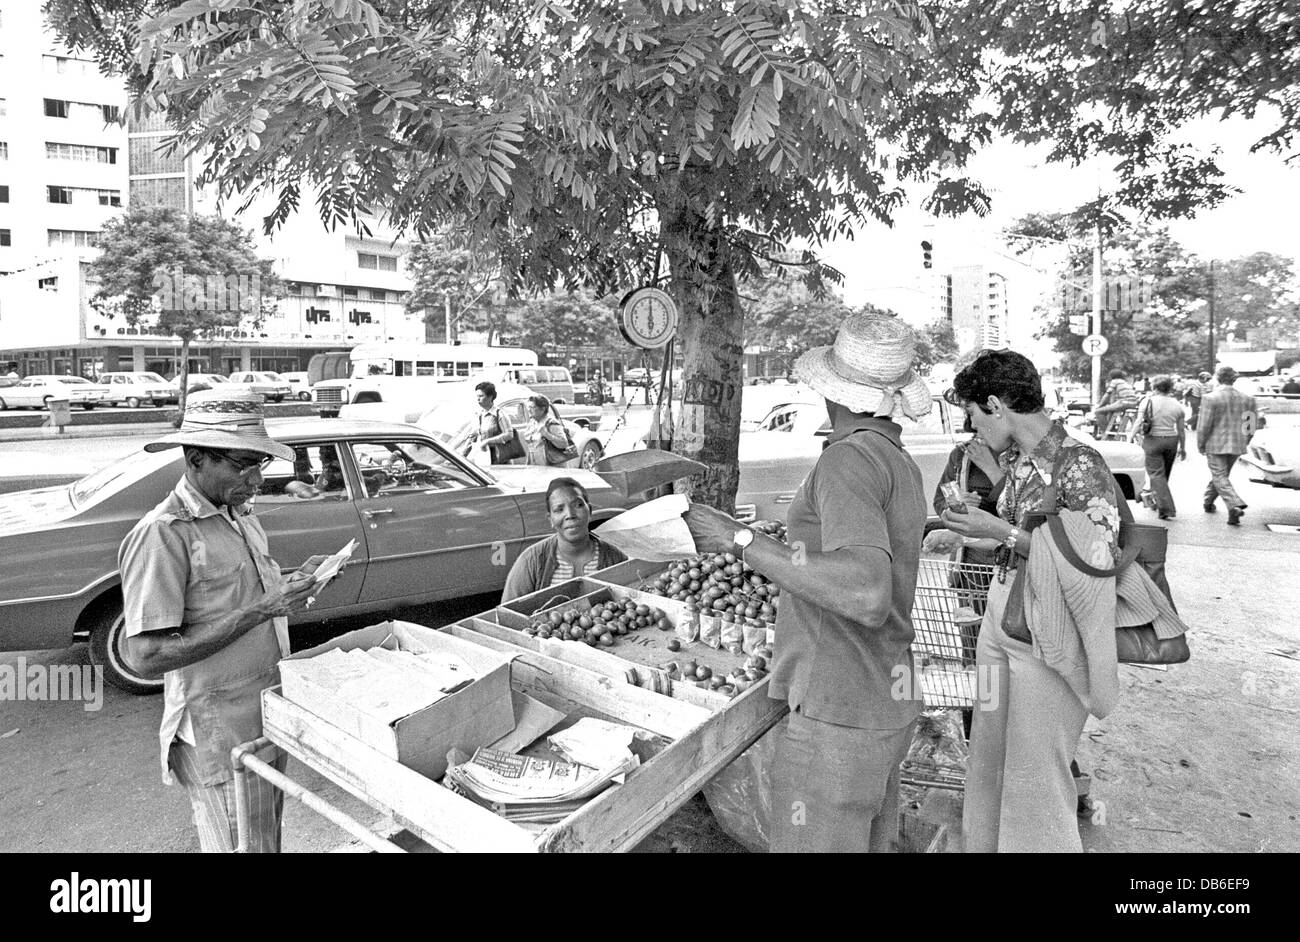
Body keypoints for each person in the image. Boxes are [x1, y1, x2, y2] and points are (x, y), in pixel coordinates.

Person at [684, 312, 928, 853]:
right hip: (883, 699)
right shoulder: (896, 459)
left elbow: (866, 593)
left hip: (840, 714)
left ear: (833, 392)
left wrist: (740, 541)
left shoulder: (848, 460)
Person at [118, 388, 327, 853]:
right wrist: (263, 609)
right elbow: (147, 656)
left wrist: (295, 584)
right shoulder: (162, 534)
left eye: (261, 464)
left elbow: (246, 597)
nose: (256, 478)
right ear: (195, 459)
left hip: (263, 713)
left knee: (264, 842)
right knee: (238, 846)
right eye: (241, 464)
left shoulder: (239, 514)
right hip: (217, 731)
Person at [938, 349, 1121, 853]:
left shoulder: (1079, 463)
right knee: (991, 757)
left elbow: (1098, 556)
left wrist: (1001, 530)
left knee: (1035, 771)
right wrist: (971, 528)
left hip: (1050, 623)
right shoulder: (1016, 462)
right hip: (1004, 608)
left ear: (995, 405)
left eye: (972, 412)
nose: (971, 425)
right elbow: (1017, 534)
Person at [502, 477, 627, 601]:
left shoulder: (615, 559)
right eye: (559, 509)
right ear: (551, 519)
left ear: (590, 511)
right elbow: (507, 615)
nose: (570, 515)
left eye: (578, 505)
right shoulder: (531, 561)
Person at [1197, 365, 1257, 526]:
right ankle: (1209, 501)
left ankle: (1234, 504)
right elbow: (1250, 426)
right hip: (1237, 443)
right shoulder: (1248, 399)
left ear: (1217, 377)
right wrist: (1246, 441)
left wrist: (1201, 444)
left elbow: (1204, 425)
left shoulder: (1210, 398)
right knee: (1222, 476)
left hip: (1215, 443)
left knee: (1219, 476)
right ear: (1234, 379)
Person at [1136, 376, 1187, 520]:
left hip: (1153, 440)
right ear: (1170, 388)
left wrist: (1130, 436)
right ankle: (1156, 501)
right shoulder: (1177, 405)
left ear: (1154, 387)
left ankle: (1166, 508)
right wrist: (1183, 448)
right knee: (1163, 475)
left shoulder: (1147, 402)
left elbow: (1139, 421)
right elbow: (1181, 430)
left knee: (1156, 474)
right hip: (1171, 441)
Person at [461, 381, 515, 464]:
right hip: (484, 457)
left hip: (500, 459)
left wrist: (487, 441)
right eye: (477, 396)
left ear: (490, 397)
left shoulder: (499, 414)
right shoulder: (478, 415)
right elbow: (472, 437)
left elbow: (509, 435)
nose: (478, 399)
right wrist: (462, 456)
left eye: (481, 396)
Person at [521, 394, 573, 466]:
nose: (529, 410)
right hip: (536, 466)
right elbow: (531, 447)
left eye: (532, 407)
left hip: (552, 467)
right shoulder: (532, 423)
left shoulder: (552, 424)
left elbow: (564, 443)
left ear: (543, 409)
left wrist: (547, 435)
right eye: (528, 407)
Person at [1093, 368, 1138, 436]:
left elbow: (1107, 395)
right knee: (1110, 410)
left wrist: (1099, 406)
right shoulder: (1125, 382)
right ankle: (1111, 430)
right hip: (1133, 403)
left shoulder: (1115, 381)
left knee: (1098, 412)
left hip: (1124, 402)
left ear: (1112, 376)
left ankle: (1106, 433)